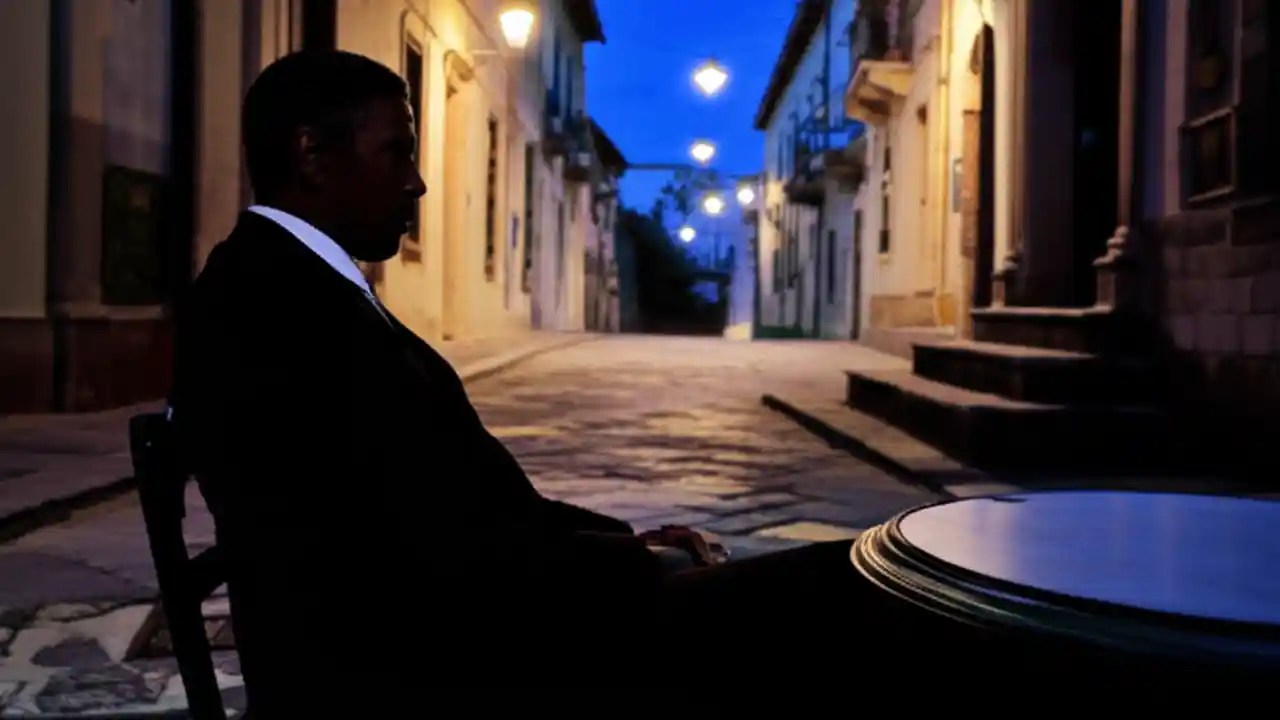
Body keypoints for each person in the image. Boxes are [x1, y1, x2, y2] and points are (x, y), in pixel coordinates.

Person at [172, 50, 867, 713]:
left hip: (447, 638)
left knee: (824, 590)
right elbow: (435, 552)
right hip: (429, 674)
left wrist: (626, 542)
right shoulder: (279, 307)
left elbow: (451, 506)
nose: (416, 181)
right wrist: (631, 568)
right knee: (837, 599)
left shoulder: (289, 285)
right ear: (313, 157)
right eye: (398, 150)